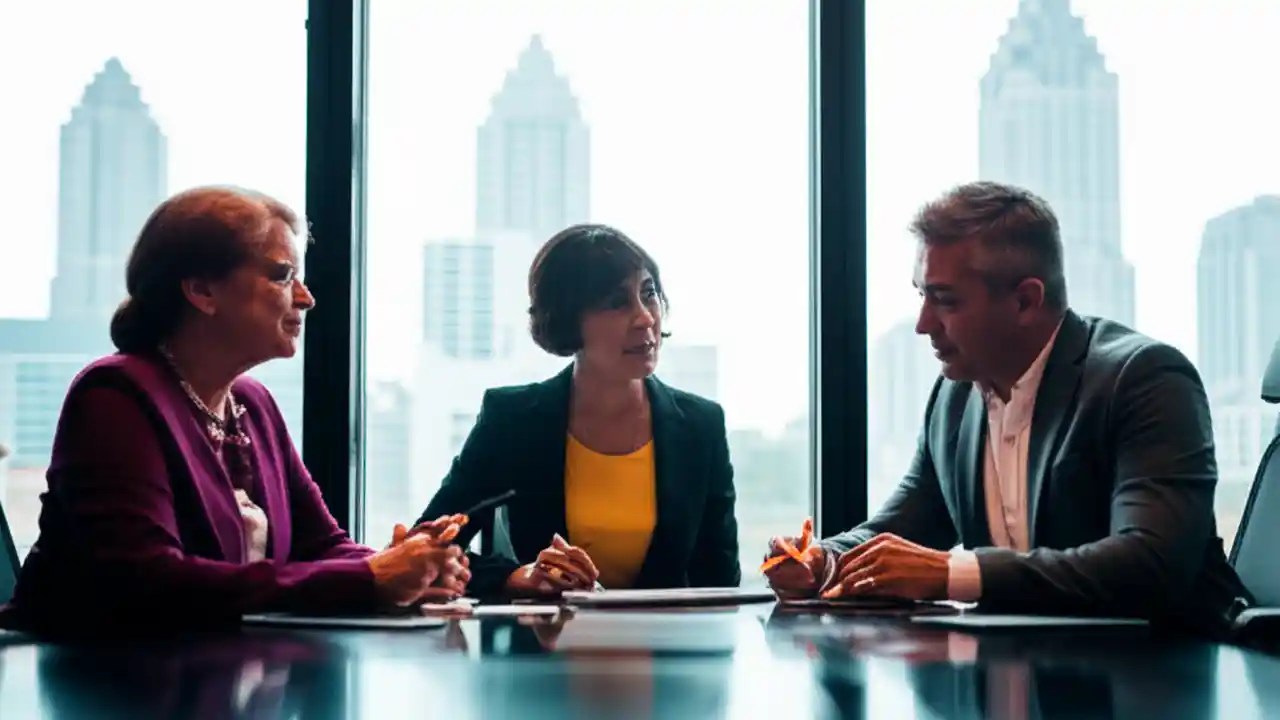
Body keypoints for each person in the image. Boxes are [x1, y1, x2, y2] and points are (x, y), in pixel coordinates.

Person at [766, 181, 1247, 631]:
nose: (923, 323)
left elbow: (1150, 563)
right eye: (922, 296)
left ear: (1025, 301)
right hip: (1029, 673)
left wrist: (955, 573)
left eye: (945, 301)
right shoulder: (955, 397)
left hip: (1167, 674)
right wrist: (821, 560)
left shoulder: (1144, 378)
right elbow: (903, 527)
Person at [1, 187, 468, 634]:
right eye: (284, 275)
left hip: (213, 681)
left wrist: (409, 568)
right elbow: (148, 580)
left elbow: (320, 546)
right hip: (91, 685)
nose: (306, 297)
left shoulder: (253, 404)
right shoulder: (113, 396)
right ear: (203, 290)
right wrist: (370, 579)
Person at [416, 223, 740, 597]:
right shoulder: (512, 420)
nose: (646, 318)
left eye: (648, 293)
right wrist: (516, 578)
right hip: (539, 650)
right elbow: (425, 549)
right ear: (568, 320)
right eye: (617, 302)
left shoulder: (701, 426)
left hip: (666, 649)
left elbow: (720, 586)